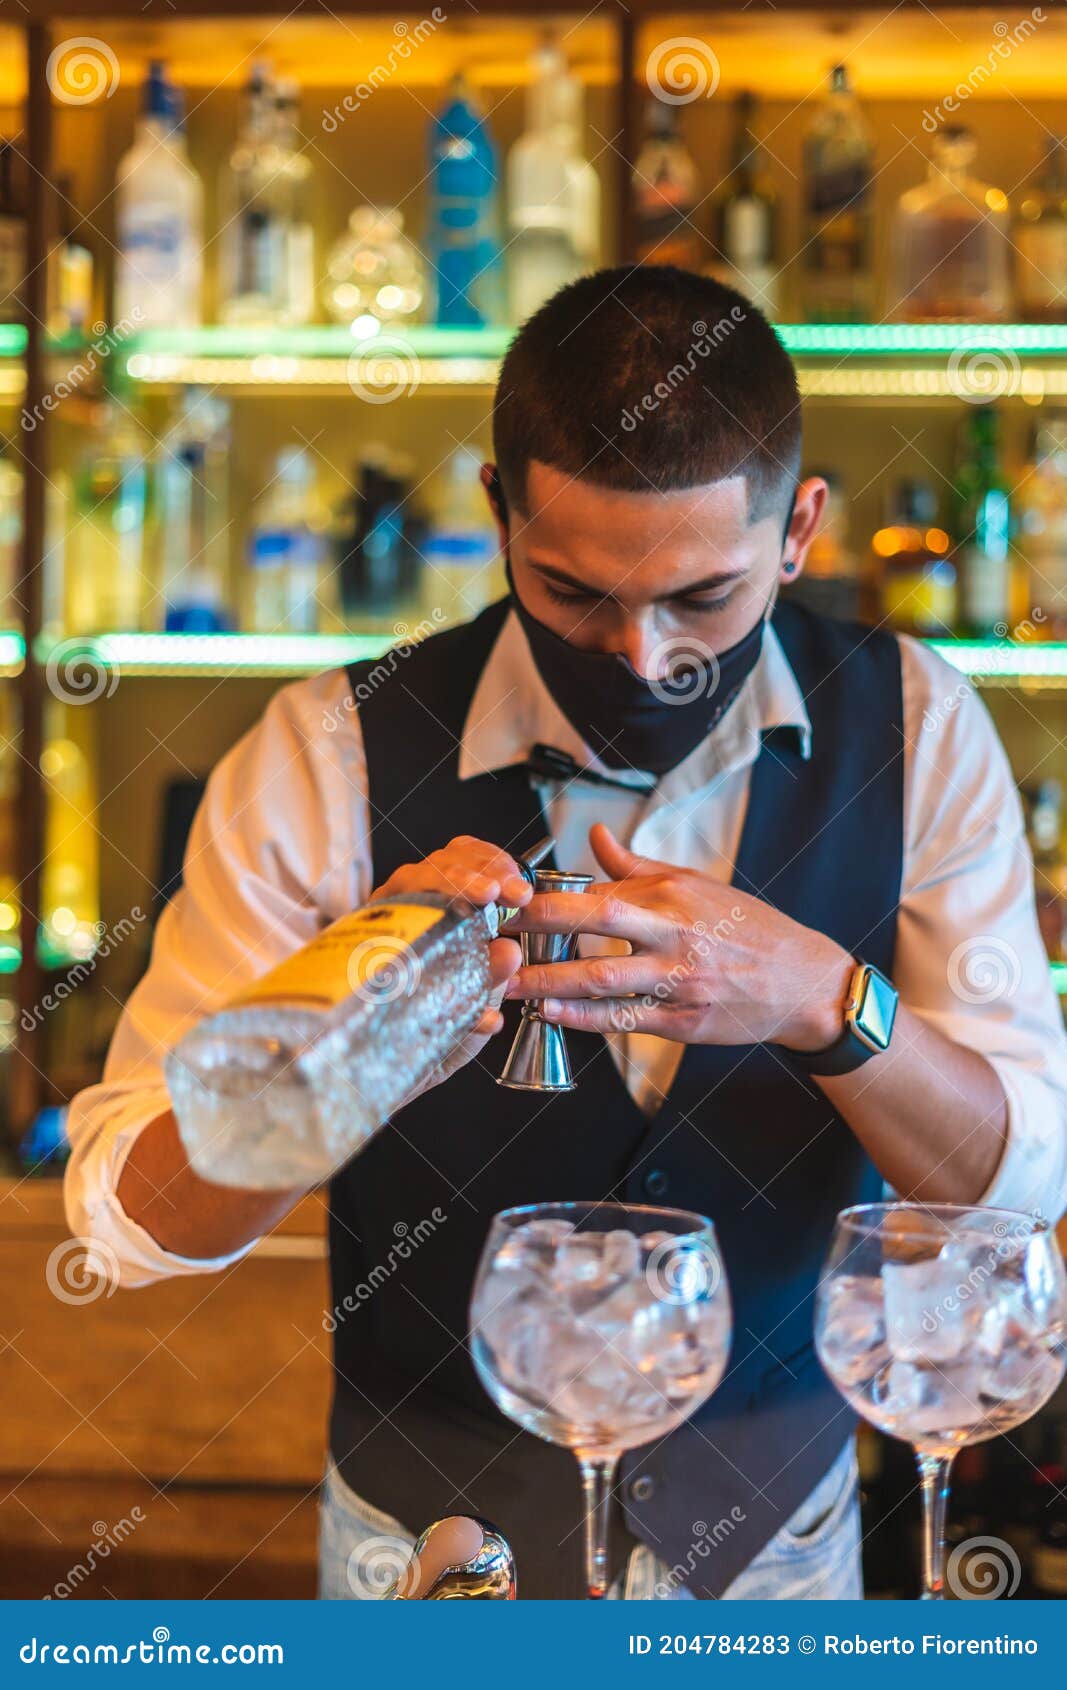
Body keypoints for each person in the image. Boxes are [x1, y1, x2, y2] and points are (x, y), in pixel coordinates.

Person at [66, 266, 1067, 1600]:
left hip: (774, 1554)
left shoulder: (919, 728)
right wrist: (333, 1051)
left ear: (799, 529)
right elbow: (128, 1221)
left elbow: (1023, 1182)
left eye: (703, 597)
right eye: (578, 592)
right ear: (495, 513)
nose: (646, 658)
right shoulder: (326, 752)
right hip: (432, 1557)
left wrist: (827, 999)